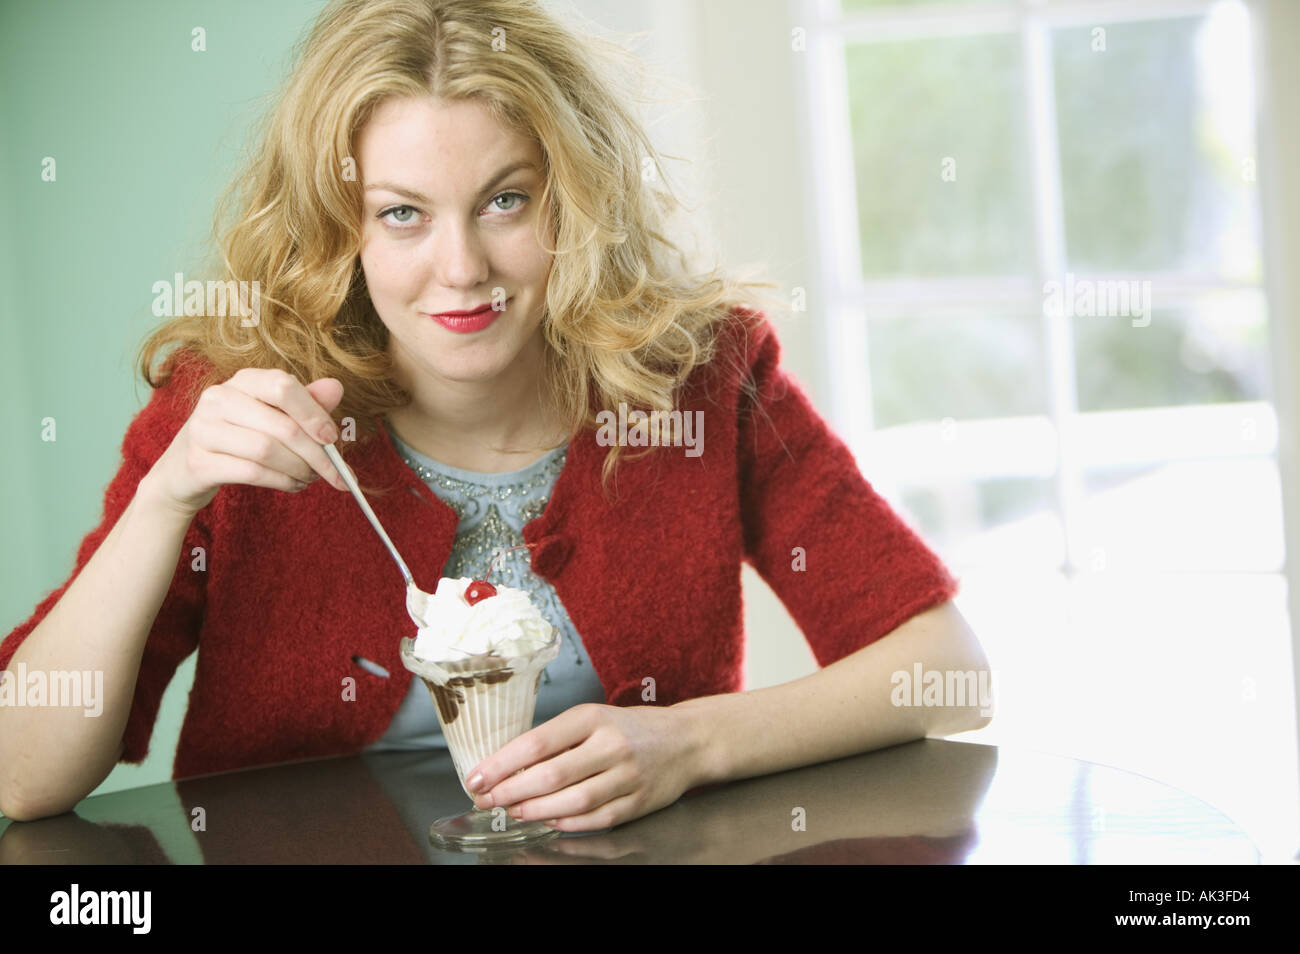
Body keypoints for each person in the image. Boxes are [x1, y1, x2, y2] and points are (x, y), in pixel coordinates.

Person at [0, 0, 992, 830]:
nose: (461, 268)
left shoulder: (698, 380)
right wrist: (168, 497)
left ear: (573, 199)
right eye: (402, 214)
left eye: (505, 201)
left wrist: (693, 743)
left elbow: (947, 670)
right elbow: (20, 774)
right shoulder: (227, 407)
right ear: (333, 225)